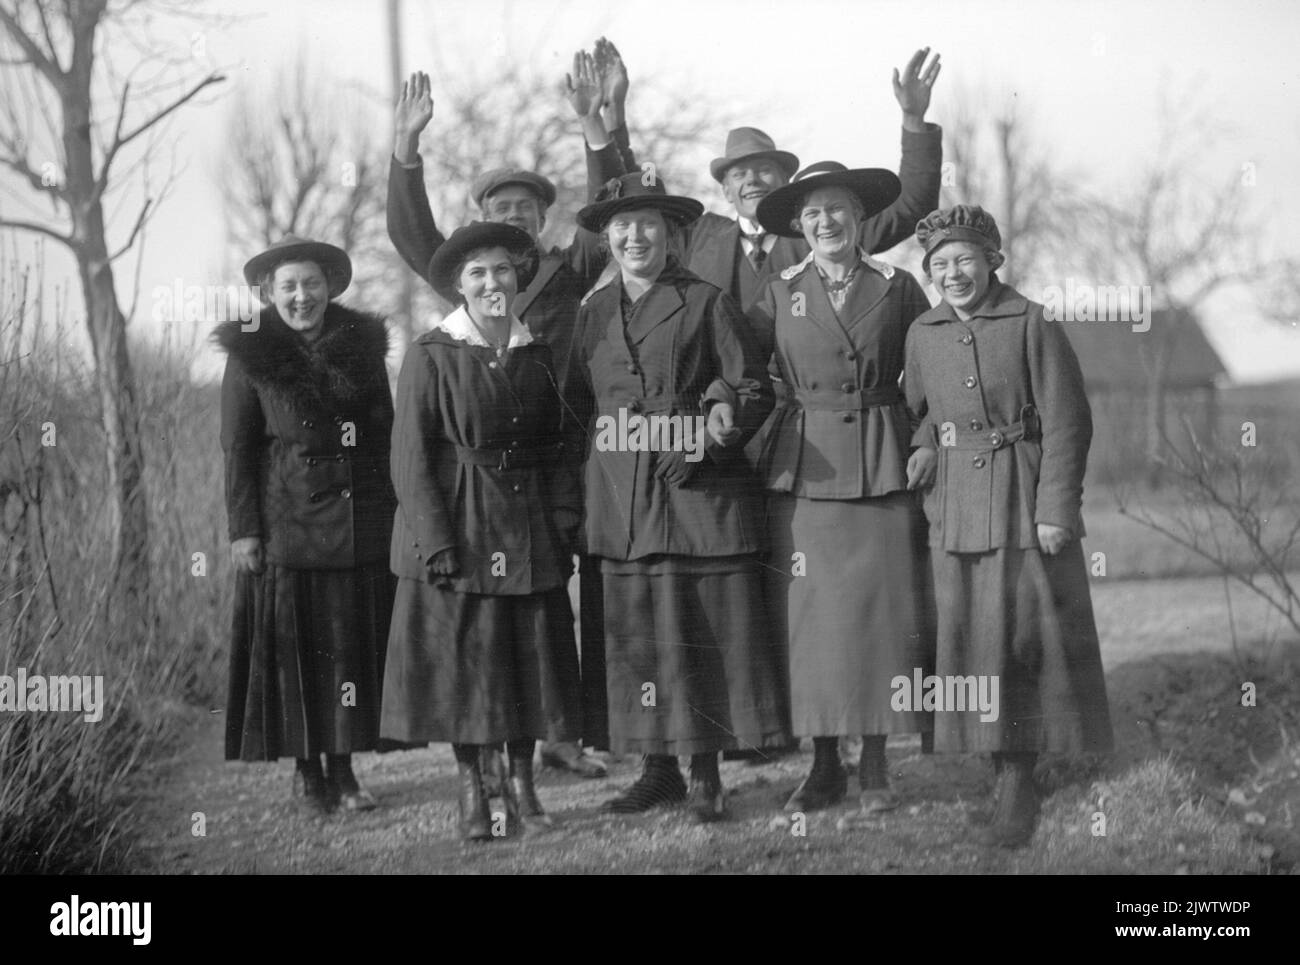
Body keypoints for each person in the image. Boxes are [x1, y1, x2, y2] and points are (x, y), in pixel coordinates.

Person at [386, 43, 634, 779]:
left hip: (550, 459)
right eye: (501, 210)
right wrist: (405, 151)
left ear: (542, 223)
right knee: (481, 626)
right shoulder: (462, 299)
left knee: (542, 617)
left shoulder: (571, 269)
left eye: (527, 210)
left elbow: (613, 214)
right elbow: (411, 237)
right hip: (476, 479)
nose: (514, 219)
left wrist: (601, 130)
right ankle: (488, 762)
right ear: (480, 228)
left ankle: (552, 736)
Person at [567, 172, 785, 823]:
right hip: (620, 502)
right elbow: (580, 406)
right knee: (638, 639)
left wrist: (704, 437)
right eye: (623, 226)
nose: (635, 236)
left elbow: (750, 388)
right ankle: (656, 772)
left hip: (695, 496)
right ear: (607, 237)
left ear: (672, 234)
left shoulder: (707, 301)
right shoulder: (591, 312)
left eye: (649, 225)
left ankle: (707, 773)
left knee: (699, 635)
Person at [903, 205, 1114, 847]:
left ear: (993, 258)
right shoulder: (923, 330)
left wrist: (1056, 509)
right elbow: (921, 410)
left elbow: (1069, 422)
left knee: (1025, 634)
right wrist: (923, 447)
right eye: (940, 265)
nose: (953, 273)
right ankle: (998, 762)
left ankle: (1022, 774)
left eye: (965, 259)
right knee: (970, 638)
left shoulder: (1032, 322)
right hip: (955, 504)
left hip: (1023, 497)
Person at [379, 222, 583, 842]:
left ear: (518, 278)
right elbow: (410, 457)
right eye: (477, 274)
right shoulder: (432, 352)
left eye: (501, 270)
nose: (492, 283)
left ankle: (522, 785)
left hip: (527, 528)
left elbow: (560, 447)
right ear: (459, 287)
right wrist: (435, 542)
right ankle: (474, 788)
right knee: (466, 670)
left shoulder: (539, 352)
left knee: (528, 665)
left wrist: (564, 522)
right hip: (460, 528)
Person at [749, 163, 935, 817]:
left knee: (882, 617)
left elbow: (936, 365)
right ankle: (825, 763)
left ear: (860, 219)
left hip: (884, 459)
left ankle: (878, 759)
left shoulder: (899, 285)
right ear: (799, 227)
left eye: (838, 210)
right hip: (809, 468)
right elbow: (739, 368)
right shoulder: (778, 293)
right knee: (817, 621)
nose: (826, 223)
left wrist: (931, 436)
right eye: (813, 214)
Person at [216, 235, 396, 815]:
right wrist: (243, 531)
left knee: (345, 650)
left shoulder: (362, 345)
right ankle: (306, 770)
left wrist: (392, 515)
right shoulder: (251, 352)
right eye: (289, 287)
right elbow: (238, 448)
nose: (302, 297)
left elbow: (384, 436)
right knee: (298, 651)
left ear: (330, 288)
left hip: (356, 524)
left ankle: (343, 770)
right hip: (286, 526)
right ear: (270, 294)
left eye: (312, 284)